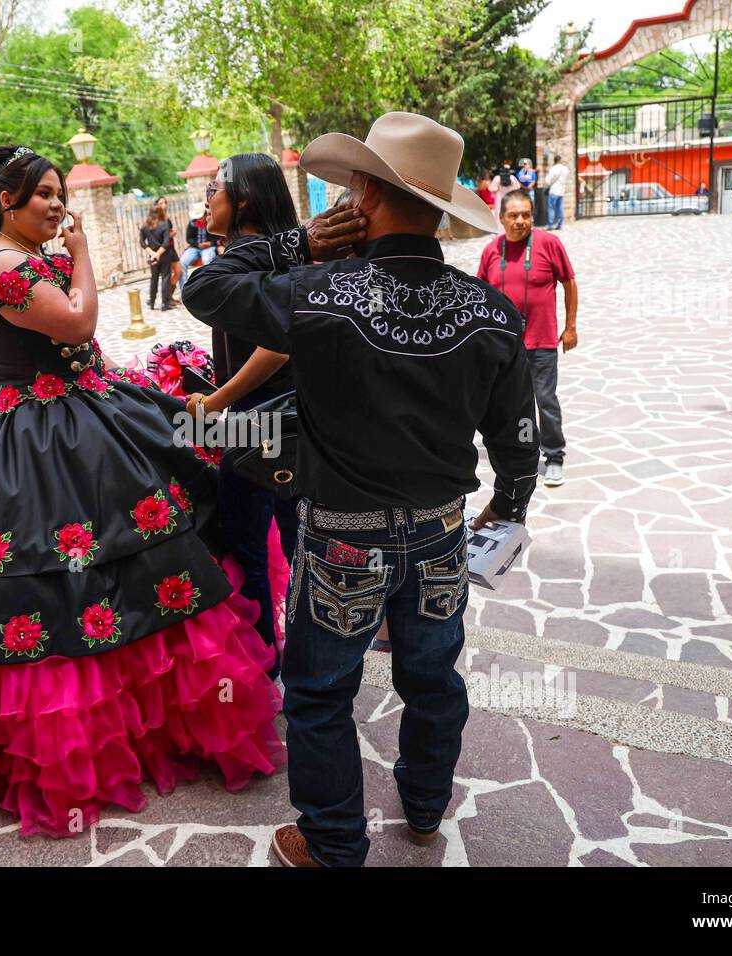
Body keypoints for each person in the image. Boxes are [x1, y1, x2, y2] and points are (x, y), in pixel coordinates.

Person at [0, 144, 283, 837]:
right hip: (38, 433)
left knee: (138, 549)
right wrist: (85, 257)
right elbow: (76, 324)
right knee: (50, 573)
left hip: (83, 409)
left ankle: (151, 713)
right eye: (42, 193)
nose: (55, 204)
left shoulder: (20, 256)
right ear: (6, 200)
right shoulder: (4, 264)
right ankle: (77, 733)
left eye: (58, 191)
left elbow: (73, 339)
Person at [185, 112, 539, 867]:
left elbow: (205, 288)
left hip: (343, 535)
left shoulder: (317, 294)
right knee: (433, 681)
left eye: (352, 188)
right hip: (442, 534)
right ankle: (422, 810)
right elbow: (518, 442)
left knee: (320, 696)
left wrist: (298, 244)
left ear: (367, 196)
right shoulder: (490, 312)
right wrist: (505, 511)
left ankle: (335, 844)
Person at [181, 153, 300, 677]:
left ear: (244, 198)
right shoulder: (275, 254)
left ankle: (264, 666)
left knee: (248, 544)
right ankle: (301, 658)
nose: (207, 200)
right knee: (296, 541)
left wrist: (216, 400)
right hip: (287, 417)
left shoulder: (251, 257)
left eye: (215, 189)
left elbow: (278, 348)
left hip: (259, 418)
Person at [477, 190, 577, 488]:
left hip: (542, 341)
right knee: (510, 406)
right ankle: (520, 453)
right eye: (514, 215)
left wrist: (570, 327)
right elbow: (481, 293)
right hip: (505, 345)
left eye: (526, 215)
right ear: (502, 218)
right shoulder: (492, 250)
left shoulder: (549, 243)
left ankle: (554, 455)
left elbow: (569, 282)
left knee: (545, 401)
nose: (520, 221)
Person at [139, 196, 175, 310]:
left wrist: (152, 254)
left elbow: (142, 242)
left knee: (154, 278)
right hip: (164, 254)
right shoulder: (164, 225)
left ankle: (152, 302)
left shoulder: (145, 226)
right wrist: (158, 254)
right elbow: (166, 242)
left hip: (153, 255)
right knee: (165, 277)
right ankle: (165, 303)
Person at [178, 200, 216, 296]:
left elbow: (218, 236)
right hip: (195, 248)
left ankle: (209, 288)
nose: (198, 219)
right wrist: (197, 245)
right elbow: (189, 238)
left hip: (209, 247)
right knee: (182, 262)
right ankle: (184, 291)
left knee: (206, 260)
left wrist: (210, 243)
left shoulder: (212, 220)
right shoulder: (192, 223)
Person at [544, 155, 569, 230]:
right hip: (561, 190)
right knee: (560, 207)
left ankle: (550, 225)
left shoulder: (554, 169)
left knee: (551, 208)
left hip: (554, 190)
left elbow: (548, 181)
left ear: (554, 161)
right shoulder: (565, 169)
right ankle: (560, 224)